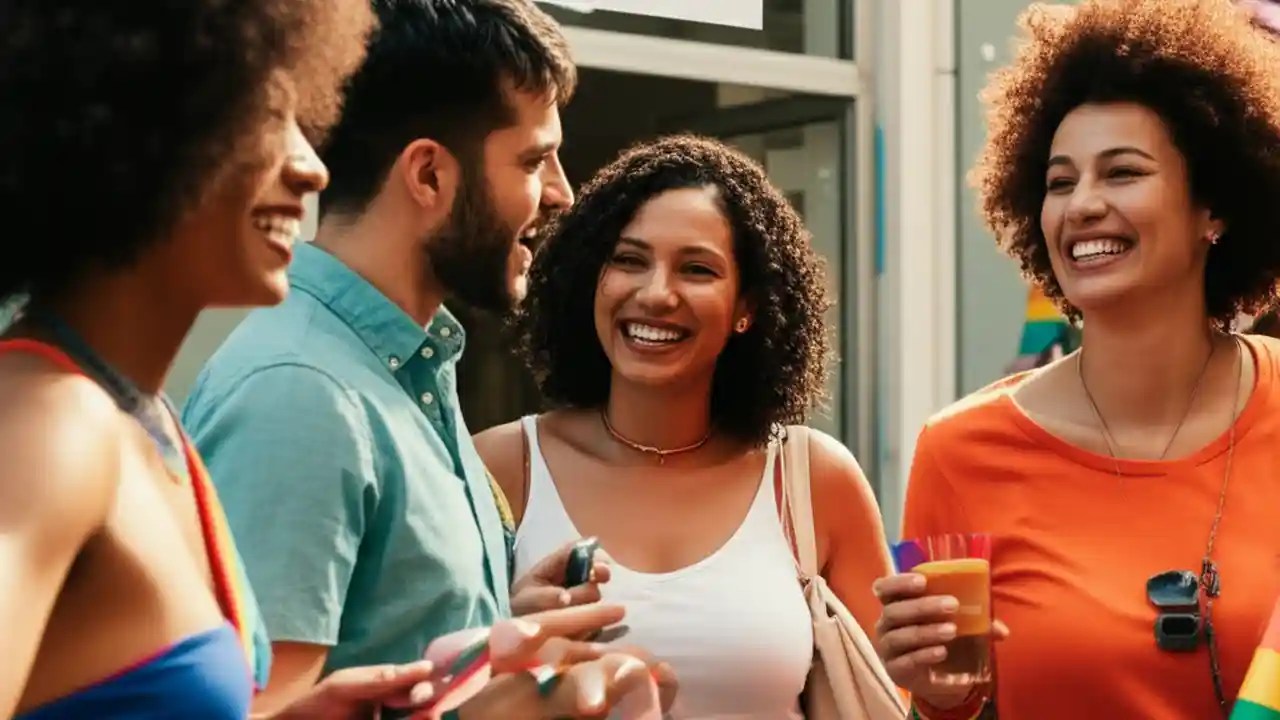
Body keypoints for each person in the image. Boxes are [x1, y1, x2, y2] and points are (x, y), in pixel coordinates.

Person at [181, 0, 624, 713]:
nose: (560, 192)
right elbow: (268, 709)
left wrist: (487, 627)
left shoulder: (404, 364)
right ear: (428, 176)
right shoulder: (301, 395)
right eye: (534, 159)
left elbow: (380, 650)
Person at [872, 1, 1280, 718]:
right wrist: (938, 699)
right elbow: (950, 705)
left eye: (1121, 173)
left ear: (1212, 209)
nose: (1081, 205)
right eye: (1060, 183)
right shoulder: (961, 451)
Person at [475, 134, 895, 718]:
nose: (655, 294)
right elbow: (430, 684)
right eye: (628, 260)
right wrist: (500, 639)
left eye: (696, 269)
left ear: (747, 308)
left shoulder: (811, 479)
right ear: (589, 278)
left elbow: (896, 692)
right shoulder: (501, 468)